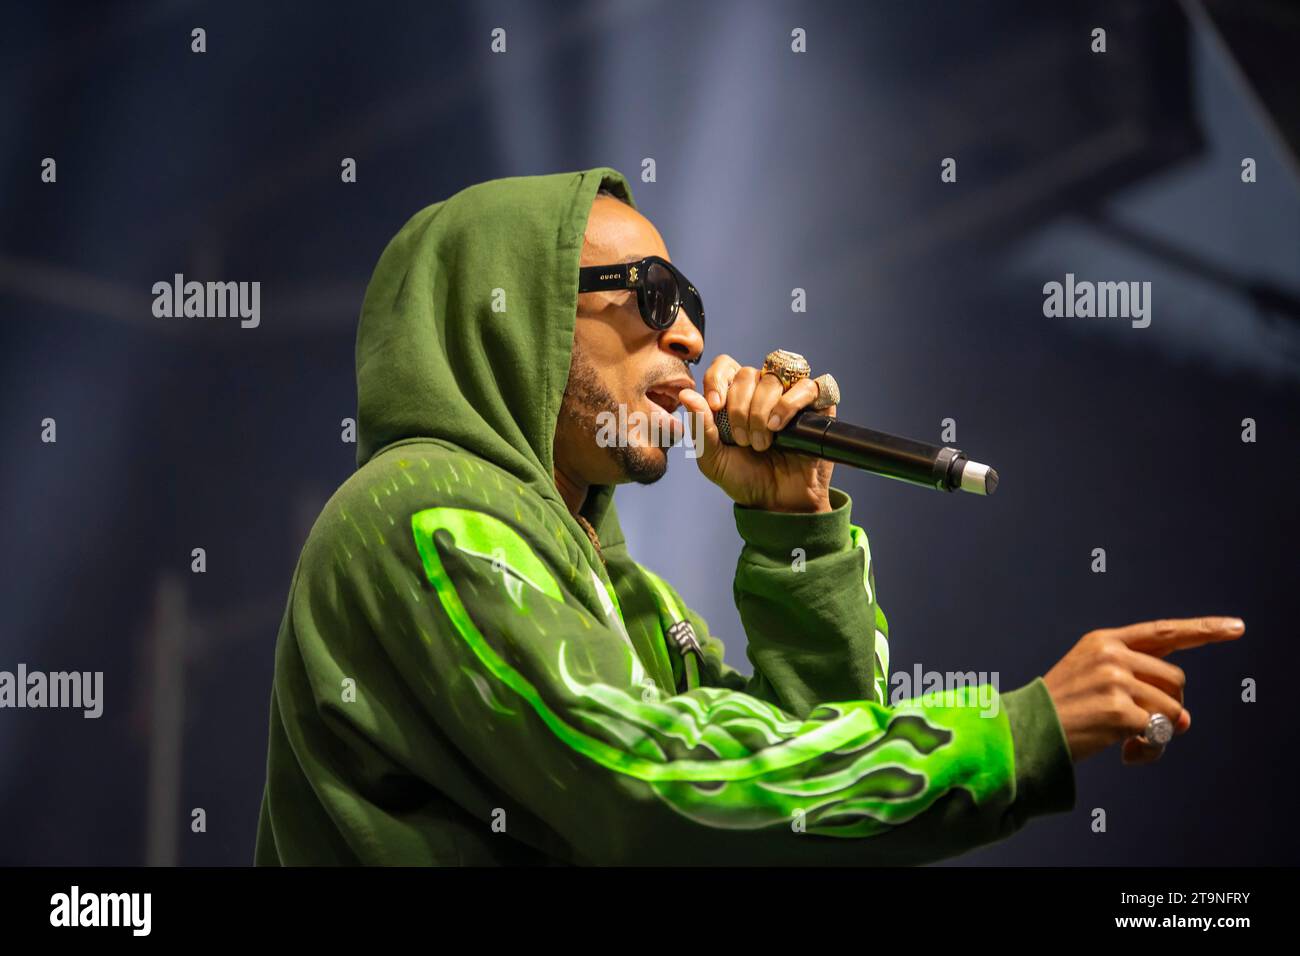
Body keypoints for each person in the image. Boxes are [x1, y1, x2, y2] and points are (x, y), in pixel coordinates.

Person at [254, 167, 1243, 865]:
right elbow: (652, 787)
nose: (690, 333)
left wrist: (793, 526)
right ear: (514, 311)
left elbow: (798, 814)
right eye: (651, 295)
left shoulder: (626, 597)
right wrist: (1012, 735)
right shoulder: (419, 510)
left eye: (689, 299)